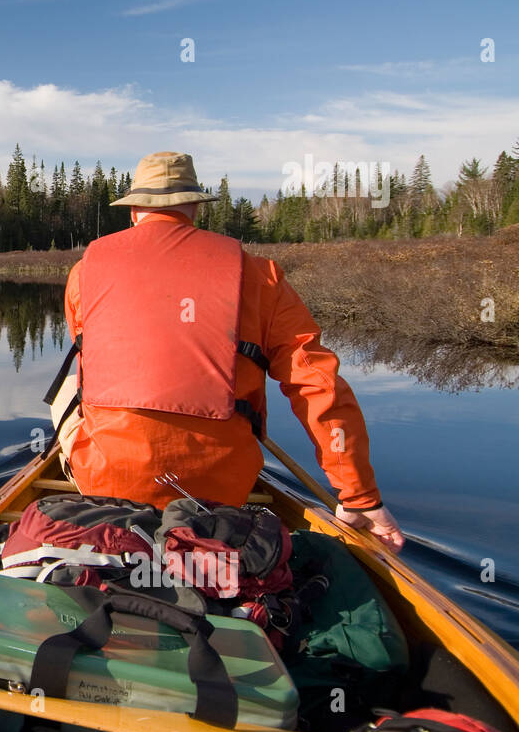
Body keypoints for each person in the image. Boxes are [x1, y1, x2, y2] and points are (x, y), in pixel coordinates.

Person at [52, 151, 404, 552]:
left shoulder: (84, 272)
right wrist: (360, 496)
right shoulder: (261, 275)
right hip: (223, 487)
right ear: (195, 209)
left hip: (110, 480)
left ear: (134, 210)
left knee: (70, 387)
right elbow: (318, 384)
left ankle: (101, 487)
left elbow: (90, 358)